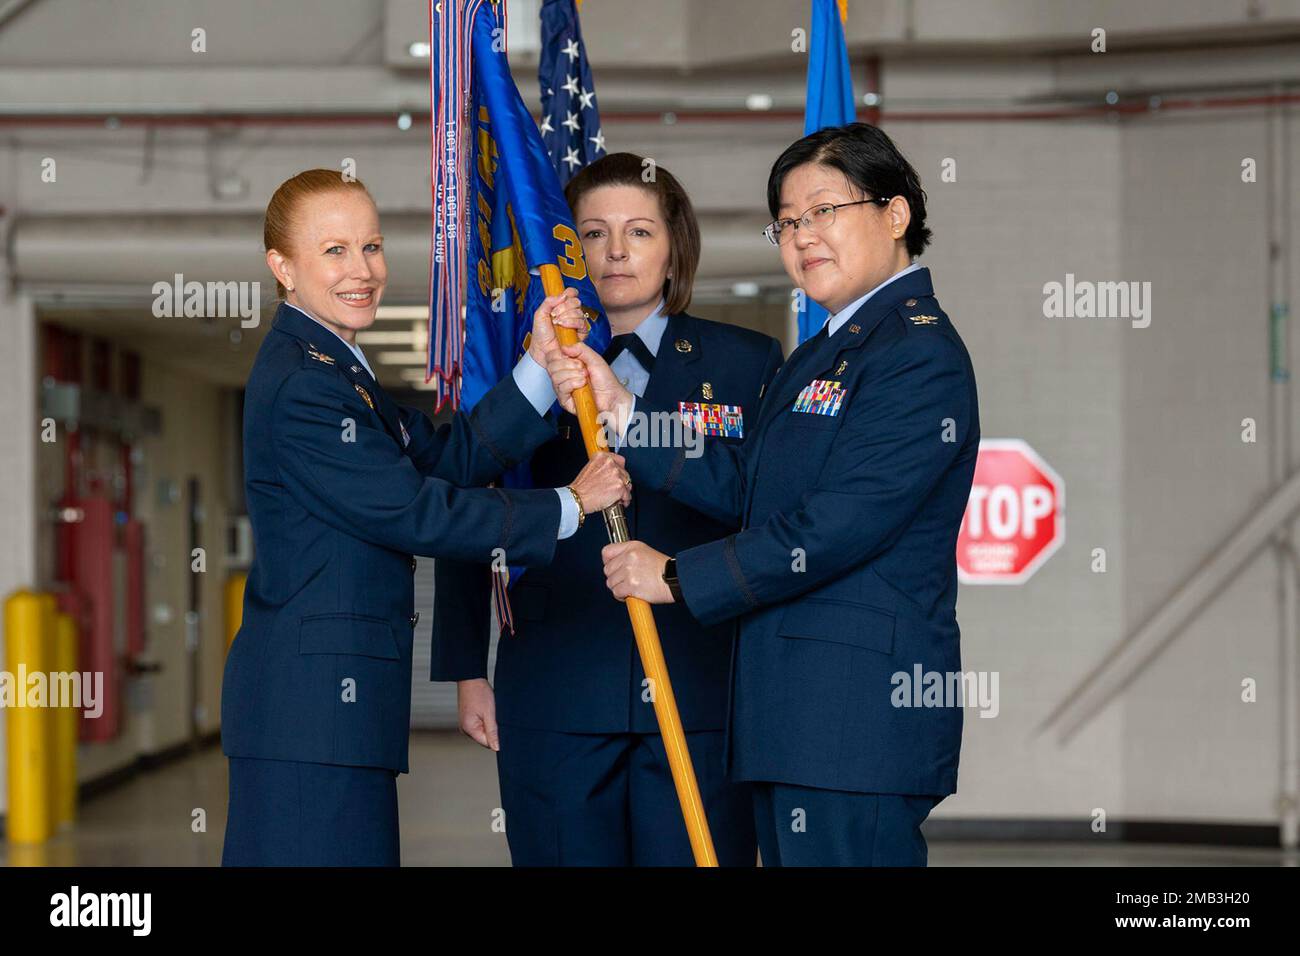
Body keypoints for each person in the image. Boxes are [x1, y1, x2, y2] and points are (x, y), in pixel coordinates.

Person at [546, 124, 980, 866]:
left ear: (896, 214)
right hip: (793, 722)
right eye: (787, 220)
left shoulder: (916, 356)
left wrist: (677, 576)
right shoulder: (827, 350)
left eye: (824, 211)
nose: (803, 236)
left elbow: (836, 524)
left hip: (852, 726)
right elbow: (751, 483)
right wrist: (624, 414)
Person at [220, 168, 630, 866]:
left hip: (327, 716)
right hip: (309, 717)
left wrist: (535, 364)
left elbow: (446, 458)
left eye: (372, 247)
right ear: (282, 267)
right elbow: (413, 510)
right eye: (335, 251)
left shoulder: (336, 369)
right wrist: (570, 504)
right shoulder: (304, 385)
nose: (363, 270)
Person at [432, 153, 783, 866]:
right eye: (592, 233)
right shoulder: (523, 364)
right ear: (566, 248)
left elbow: (756, 501)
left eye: (640, 232)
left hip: (697, 687)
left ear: (675, 246)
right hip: (556, 684)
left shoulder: (747, 362)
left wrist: (631, 417)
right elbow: (468, 503)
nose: (615, 252)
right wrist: (468, 666)